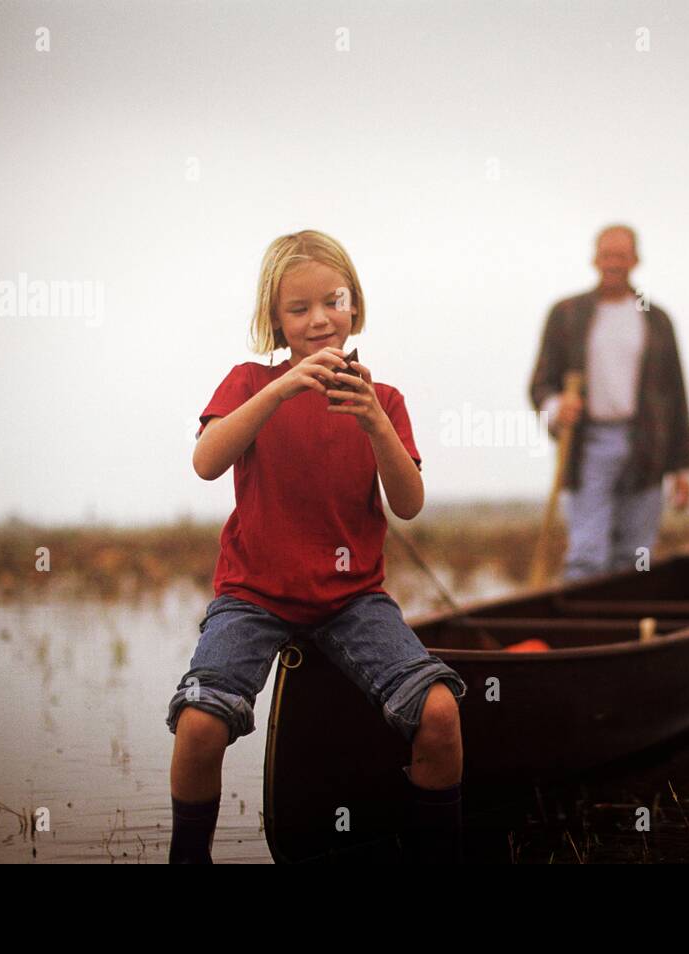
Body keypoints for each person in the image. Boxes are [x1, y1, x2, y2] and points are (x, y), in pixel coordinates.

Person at [166, 229, 467, 864]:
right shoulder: (249, 381)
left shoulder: (383, 400)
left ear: (354, 304)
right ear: (275, 321)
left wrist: (374, 422)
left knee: (439, 714)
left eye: (332, 301)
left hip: (353, 599)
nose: (319, 319)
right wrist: (283, 388)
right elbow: (205, 462)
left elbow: (408, 504)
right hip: (253, 596)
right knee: (199, 723)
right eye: (297, 309)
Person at [529, 224, 689, 580]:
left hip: (647, 446)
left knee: (636, 557)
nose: (613, 262)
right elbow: (541, 383)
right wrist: (556, 408)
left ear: (635, 259)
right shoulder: (566, 313)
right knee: (587, 555)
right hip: (588, 445)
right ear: (594, 258)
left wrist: (683, 467)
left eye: (621, 255)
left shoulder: (656, 319)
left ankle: (632, 631)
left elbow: (676, 396)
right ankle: (581, 634)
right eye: (607, 254)